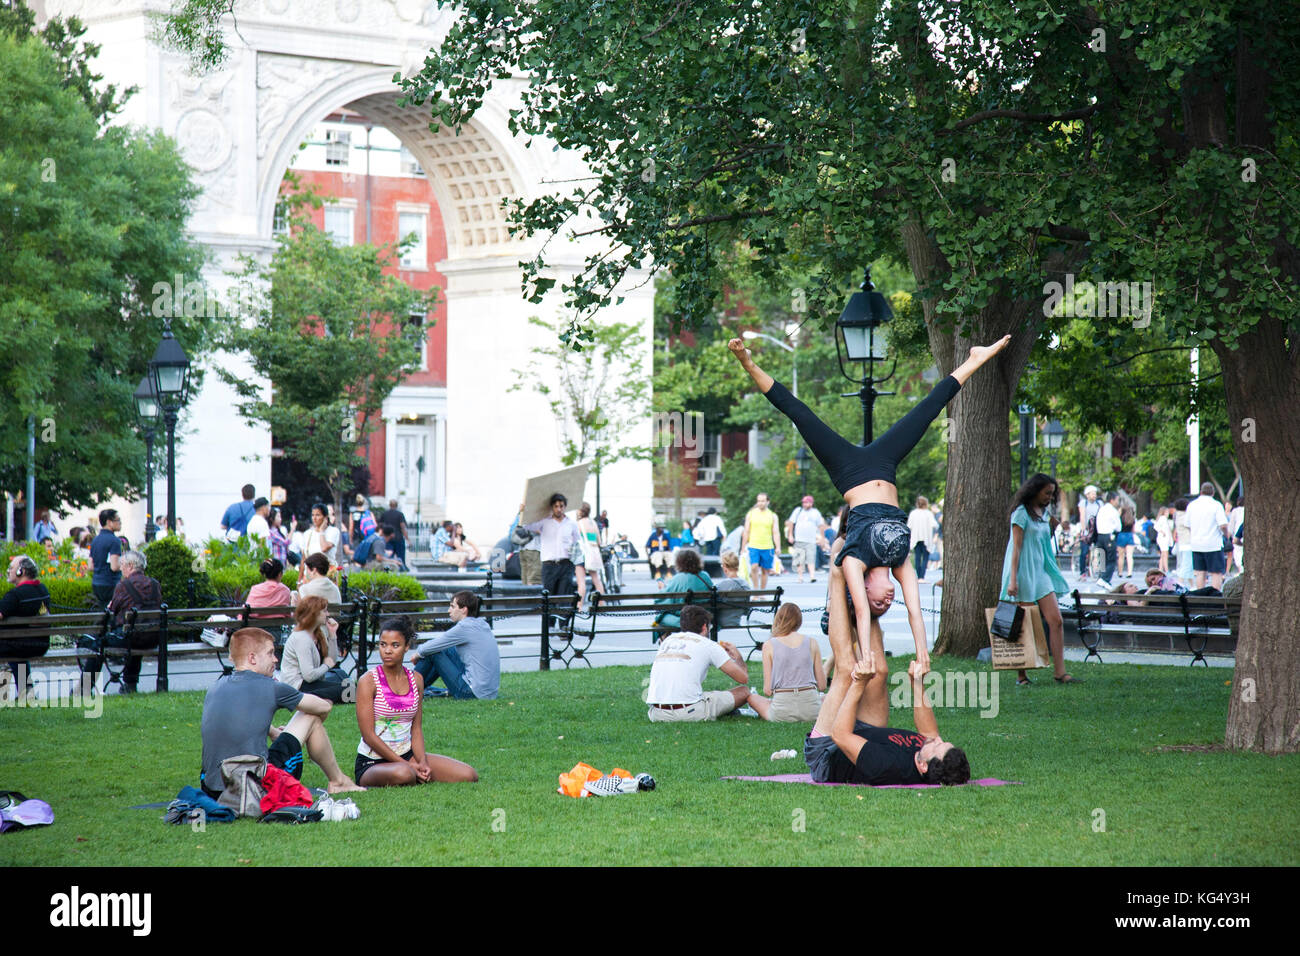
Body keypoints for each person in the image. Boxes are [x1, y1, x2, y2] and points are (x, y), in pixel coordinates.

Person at [730, 334, 1010, 676]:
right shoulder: (899, 560)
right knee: (928, 410)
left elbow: (862, 613)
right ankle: (976, 359)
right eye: (886, 601)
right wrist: (923, 655)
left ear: (865, 586)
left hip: (847, 471)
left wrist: (864, 657)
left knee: (799, 412)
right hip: (884, 464)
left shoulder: (855, 560)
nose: (887, 597)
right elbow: (915, 612)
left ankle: (748, 362)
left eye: (881, 598)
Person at [804, 550, 970, 786]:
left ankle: (838, 576)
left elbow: (841, 735)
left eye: (937, 746)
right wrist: (917, 683)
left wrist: (859, 683)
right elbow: (930, 732)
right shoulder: (929, 754)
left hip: (829, 748)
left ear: (922, 766)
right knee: (880, 671)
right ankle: (865, 587)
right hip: (863, 733)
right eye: (944, 742)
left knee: (847, 669)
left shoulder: (884, 766)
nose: (935, 740)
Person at [200, 627, 362, 800]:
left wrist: (274, 732)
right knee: (311, 717)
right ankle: (338, 781)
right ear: (252, 658)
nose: (276, 659)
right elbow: (323, 708)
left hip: (212, 789)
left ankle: (338, 781)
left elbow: (238, 717)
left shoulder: (216, 687)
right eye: (270, 653)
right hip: (254, 787)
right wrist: (327, 701)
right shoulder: (271, 687)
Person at [355, 616, 479, 786]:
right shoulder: (368, 681)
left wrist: (422, 763)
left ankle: (414, 771)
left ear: (407, 647)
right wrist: (406, 765)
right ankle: (409, 771)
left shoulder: (416, 679)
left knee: (468, 774)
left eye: (395, 645)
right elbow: (368, 736)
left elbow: (416, 728)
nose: (388, 651)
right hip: (373, 762)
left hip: (409, 755)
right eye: (383, 645)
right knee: (405, 774)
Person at [999, 474, 1080, 686]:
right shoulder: (1021, 514)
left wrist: (1051, 528)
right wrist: (1013, 580)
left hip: (1041, 573)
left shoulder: (1044, 515)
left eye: (1051, 494)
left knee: (1056, 621)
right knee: (1023, 624)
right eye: (1046, 493)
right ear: (1035, 490)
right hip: (1023, 572)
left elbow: (1041, 544)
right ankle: (1021, 675)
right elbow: (1016, 548)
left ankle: (1060, 673)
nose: (1049, 497)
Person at [644, 605, 767, 722]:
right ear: (704, 627)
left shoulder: (668, 641)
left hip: (656, 713)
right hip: (689, 711)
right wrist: (738, 657)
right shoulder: (708, 645)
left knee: (708, 695)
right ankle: (726, 710)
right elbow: (743, 678)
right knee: (744, 691)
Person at [407, 590, 501, 700]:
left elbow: (433, 645)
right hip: (489, 693)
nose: (449, 611)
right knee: (446, 649)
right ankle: (416, 688)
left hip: (470, 693)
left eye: (452, 606)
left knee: (434, 652)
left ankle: (408, 689)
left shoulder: (464, 627)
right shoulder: (481, 624)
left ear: (464, 610)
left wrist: (418, 654)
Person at [96, 550, 163, 694]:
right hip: (153, 638)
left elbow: (112, 610)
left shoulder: (123, 586)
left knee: (95, 643)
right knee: (136, 631)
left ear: (131, 566)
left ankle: (84, 687)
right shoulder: (155, 584)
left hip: (130, 639)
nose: (120, 568)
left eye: (122, 565)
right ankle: (130, 684)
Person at [759, 603, 826, 723]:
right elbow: (822, 686)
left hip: (781, 710)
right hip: (812, 710)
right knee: (830, 697)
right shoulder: (812, 642)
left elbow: (767, 691)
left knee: (752, 697)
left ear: (778, 619)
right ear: (799, 621)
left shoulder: (769, 645)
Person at [0, 555, 52, 695]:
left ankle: (26, 691)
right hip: (41, 645)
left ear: (20, 571)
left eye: (11, 568)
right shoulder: (43, 590)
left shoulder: (15, 595)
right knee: (15, 646)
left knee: (12, 646)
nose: (9, 571)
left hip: (19, 646)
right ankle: (27, 692)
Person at [280, 596, 346, 702]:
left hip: (311, 684)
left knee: (346, 682)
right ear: (314, 614)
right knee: (348, 690)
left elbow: (332, 659)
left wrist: (332, 634)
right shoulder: (302, 638)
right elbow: (309, 676)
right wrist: (326, 666)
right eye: (324, 611)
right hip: (297, 688)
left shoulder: (317, 633)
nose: (328, 614)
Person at [521, 494, 580, 602]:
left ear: (565, 507)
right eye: (556, 506)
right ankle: (549, 620)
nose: (559, 509)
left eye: (561, 506)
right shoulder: (544, 522)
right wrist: (522, 512)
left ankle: (563, 619)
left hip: (566, 564)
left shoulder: (572, 524)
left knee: (564, 598)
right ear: (552, 507)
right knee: (549, 599)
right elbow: (526, 526)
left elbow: (577, 541)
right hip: (549, 565)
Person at [654, 549, 714, 633]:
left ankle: (665, 641)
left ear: (679, 562)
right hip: (704, 618)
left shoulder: (677, 578)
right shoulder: (705, 576)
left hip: (683, 620)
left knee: (660, 616)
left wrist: (662, 588)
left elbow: (660, 601)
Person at [1185, 482, 1229, 590]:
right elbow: (1223, 525)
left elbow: (1187, 525)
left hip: (1196, 544)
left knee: (1200, 572)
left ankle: (1201, 596)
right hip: (1213, 544)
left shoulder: (1192, 505)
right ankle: (1215, 597)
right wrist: (1226, 535)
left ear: (1201, 492)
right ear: (1213, 493)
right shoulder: (1216, 505)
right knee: (1216, 573)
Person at [741, 492, 782, 589]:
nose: (760, 503)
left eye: (763, 501)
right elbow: (746, 531)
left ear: (768, 502)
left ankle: (762, 591)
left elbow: (776, 532)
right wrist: (743, 547)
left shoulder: (772, 516)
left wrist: (778, 547)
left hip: (768, 546)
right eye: (759, 501)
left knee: (765, 571)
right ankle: (756, 589)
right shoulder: (751, 514)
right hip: (754, 545)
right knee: (754, 567)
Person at [785, 495, 828, 584]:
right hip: (799, 538)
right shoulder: (798, 511)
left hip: (810, 539)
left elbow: (821, 526)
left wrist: (822, 537)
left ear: (811, 503)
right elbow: (791, 523)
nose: (805, 504)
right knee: (800, 559)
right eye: (804, 502)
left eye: (807, 502)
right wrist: (790, 535)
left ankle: (812, 576)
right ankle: (800, 577)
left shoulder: (815, 512)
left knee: (811, 558)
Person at [90, 508, 123, 608]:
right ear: (109, 522)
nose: (120, 523)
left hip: (96, 582)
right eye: (118, 520)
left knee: (102, 612)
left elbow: (90, 566)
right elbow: (114, 566)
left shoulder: (95, 540)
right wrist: (125, 564)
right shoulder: (115, 541)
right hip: (111, 583)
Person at [574, 503, 605, 608]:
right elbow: (599, 541)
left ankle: (579, 606)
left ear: (581, 511)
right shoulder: (593, 523)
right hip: (593, 555)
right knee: (596, 580)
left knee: (581, 582)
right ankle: (601, 604)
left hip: (582, 555)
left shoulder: (579, 523)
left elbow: (575, 540)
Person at [713, 551, 751, 629]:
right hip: (736, 621)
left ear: (725, 567)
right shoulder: (745, 585)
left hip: (720, 625)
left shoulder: (719, 586)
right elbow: (746, 610)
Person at [906, 495, 940, 581]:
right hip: (926, 538)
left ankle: (918, 576)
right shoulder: (928, 513)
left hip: (916, 538)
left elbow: (909, 526)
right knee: (925, 557)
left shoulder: (913, 513)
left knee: (917, 557)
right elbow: (935, 525)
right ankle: (922, 576)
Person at [1094, 491, 1122, 584]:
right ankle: (1105, 580)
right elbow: (1118, 527)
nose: (1118, 502)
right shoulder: (1113, 511)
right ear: (1112, 500)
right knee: (1111, 559)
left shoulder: (1101, 509)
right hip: (1109, 536)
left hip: (1100, 535)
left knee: (1102, 558)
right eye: (1117, 500)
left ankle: (1100, 577)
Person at [1076, 485, 1102, 580]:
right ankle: (1082, 572)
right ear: (1087, 495)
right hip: (1087, 530)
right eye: (1092, 493)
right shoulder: (1084, 503)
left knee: (1100, 550)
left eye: (1095, 493)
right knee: (1084, 551)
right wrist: (1083, 530)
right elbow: (1082, 516)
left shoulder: (1099, 504)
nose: (1094, 495)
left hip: (1097, 530)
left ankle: (1099, 571)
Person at [379, 499, 411, 566]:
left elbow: (380, 527)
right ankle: (402, 571)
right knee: (401, 558)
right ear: (396, 506)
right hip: (398, 538)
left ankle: (387, 571)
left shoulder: (384, 514)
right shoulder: (400, 514)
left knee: (387, 557)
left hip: (387, 538)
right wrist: (407, 539)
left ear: (389, 505)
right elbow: (403, 527)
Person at [646, 520, 673, 585]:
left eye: (663, 528)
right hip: (655, 551)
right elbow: (646, 546)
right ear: (657, 529)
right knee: (657, 555)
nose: (662, 529)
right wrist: (648, 556)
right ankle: (657, 572)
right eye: (661, 528)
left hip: (664, 551)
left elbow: (668, 546)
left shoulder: (665, 536)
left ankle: (668, 572)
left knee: (670, 555)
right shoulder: (653, 536)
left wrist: (670, 551)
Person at [1116, 501, 1137, 579]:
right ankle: (1129, 572)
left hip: (1121, 535)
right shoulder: (1132, 519)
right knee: (1129, 556)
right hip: (1129, 535)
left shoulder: (1120, 518)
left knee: (1121, 556)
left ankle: (1120, 572)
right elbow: (1133, 530)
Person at [1154, 506, 1174, 574]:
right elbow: (1156, 526)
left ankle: (1160, 569)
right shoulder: (1163, 518)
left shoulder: (1164, 519)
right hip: (1163, 538)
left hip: (1164, 539)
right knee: (1165, 554)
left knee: (1163, 555)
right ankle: (1166, 569)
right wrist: (1162, 531)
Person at [1230, 497, 1245, 574]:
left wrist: (1229, 534)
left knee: (1238, 557)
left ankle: (1240, 571)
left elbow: (1231, 525)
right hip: (1244, 536)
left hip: (1237, 535)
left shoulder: (1235, 511)